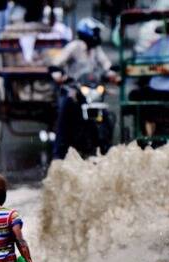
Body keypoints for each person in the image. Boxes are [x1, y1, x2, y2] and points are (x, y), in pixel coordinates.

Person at [49, 18, 116, 159]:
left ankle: (107, 151)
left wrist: (112, 75)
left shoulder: (95, 49)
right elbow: (57, 63)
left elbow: (106, 64)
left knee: (106, 115)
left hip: (92, 90)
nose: (97, 36)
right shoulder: (74, 46)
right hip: (73, 90)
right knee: (64, 117)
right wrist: (58, 75)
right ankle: (58, 157)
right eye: (95, 32)